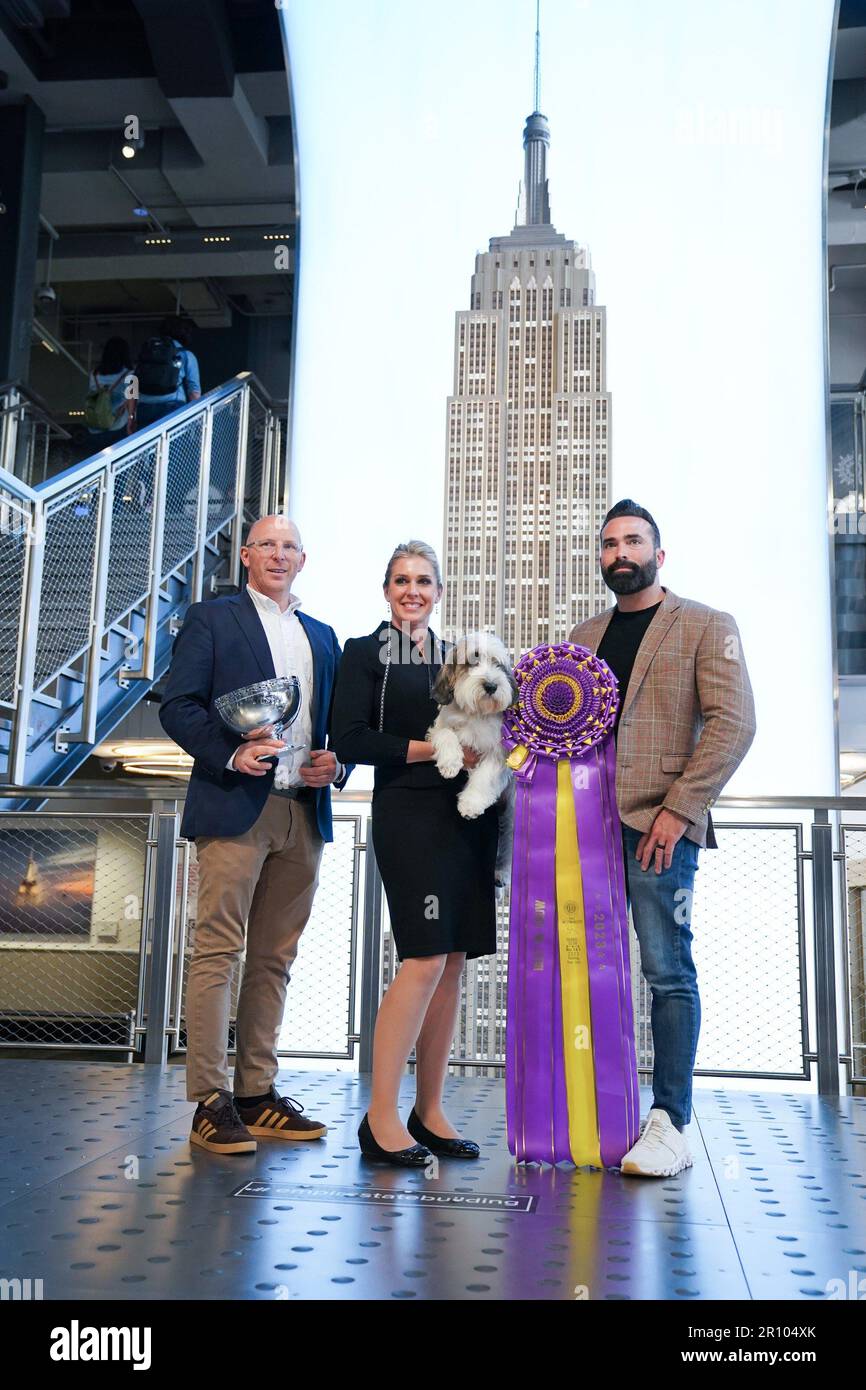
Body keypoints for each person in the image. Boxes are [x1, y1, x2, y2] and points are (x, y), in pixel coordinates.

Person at [569, 499, 756, 1178]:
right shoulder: (582, 636)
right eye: (610, 543)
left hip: (657, 831)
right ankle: (593, 1108)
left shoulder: (706, 625)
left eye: (634, 541)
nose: (621, 553)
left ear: (659, 554)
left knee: (666, 971)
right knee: (584, 973)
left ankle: (669, 1121)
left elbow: (733, 725)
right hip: (580, 834)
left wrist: (679, 812)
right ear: (600, 556)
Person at [159, 515, 352, 1154]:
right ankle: (209, 1101)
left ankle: (255, 1093)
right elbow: (178, 703)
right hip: (237, 803)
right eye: (266, 543)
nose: (278, 553)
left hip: (303, 810)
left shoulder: (322, 635)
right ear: (246, 556)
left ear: (304, 557)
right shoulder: (213, 618)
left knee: (275, 957)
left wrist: (338, 763)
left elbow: (334, 726)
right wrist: (228, 755)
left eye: (290, 544)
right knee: (218, 951)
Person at [331, 540, 497, 1167]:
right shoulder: (363, 653)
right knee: (423, 959)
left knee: (453, 960)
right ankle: (379, 1118)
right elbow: (347, 738)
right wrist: (433, 751)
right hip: (409, 816)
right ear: (385, 589)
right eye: (401, 580)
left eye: (424, 581)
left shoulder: (460, 657)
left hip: (464, 819)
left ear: (438, 590)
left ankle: (428, 1112)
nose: (413, 591)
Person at [132, 315, 202, 431]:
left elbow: (133, 383)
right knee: (172, 447)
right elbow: (194, 392)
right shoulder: (186, 355)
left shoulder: (148, 351)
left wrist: (131, 416)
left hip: (144, 407)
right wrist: (197, 418)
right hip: (172, 406)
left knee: (147, 447)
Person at [83, 337, 134, 452]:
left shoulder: (94, 374)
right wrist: (131, 423)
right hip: (117, 425)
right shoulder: (130, 374)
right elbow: (132, 403)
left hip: (94, 425)